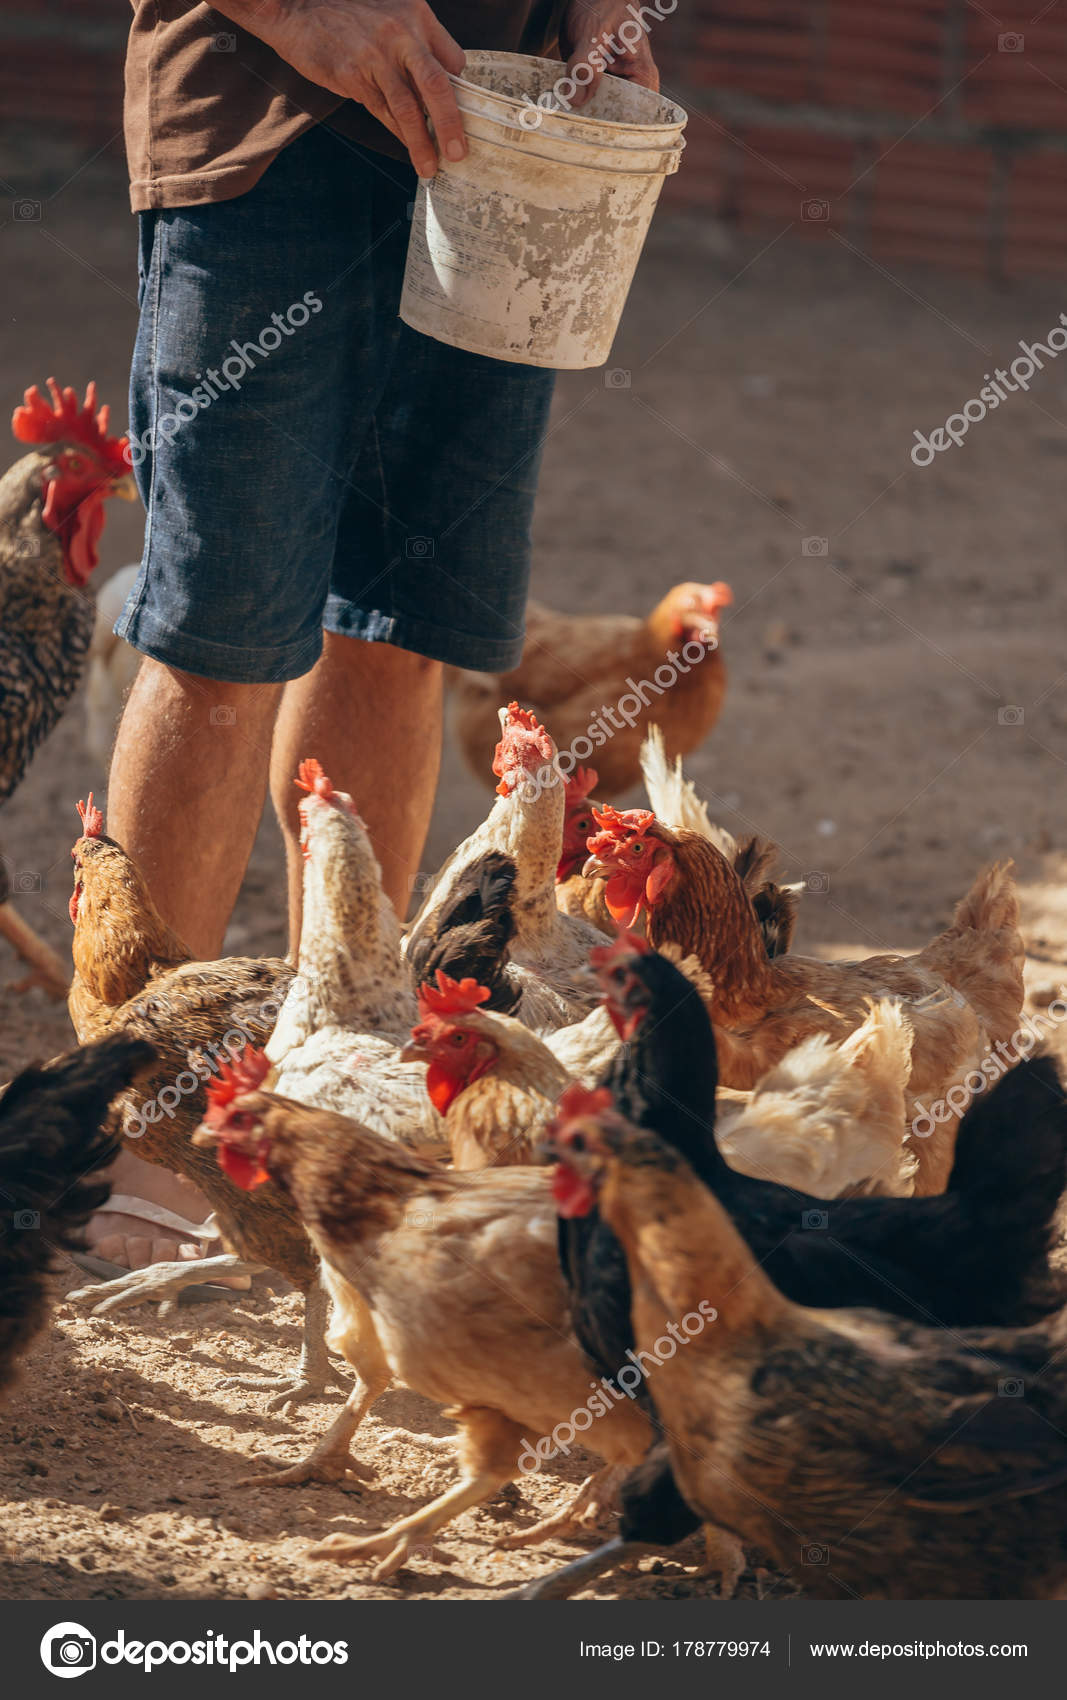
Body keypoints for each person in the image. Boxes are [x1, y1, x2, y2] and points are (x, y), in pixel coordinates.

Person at [87, 0, 660, 1273]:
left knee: (401, 630)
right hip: (264, 126)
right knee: (220, 635)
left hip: (507, 133)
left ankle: (328, 1097)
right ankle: (141, 1132)